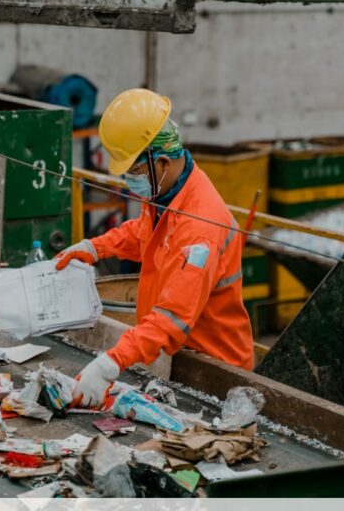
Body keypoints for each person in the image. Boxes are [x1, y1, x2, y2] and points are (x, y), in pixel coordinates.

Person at [56, 88, 254, 407]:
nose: (130, 181)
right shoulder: (166, 193)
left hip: (216, 374)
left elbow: (172, 317)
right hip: (180, 358)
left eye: (133, 171)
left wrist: (111, 364)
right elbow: (147, 235)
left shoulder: (201, 226)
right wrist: (95, 248)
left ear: (160, 161)